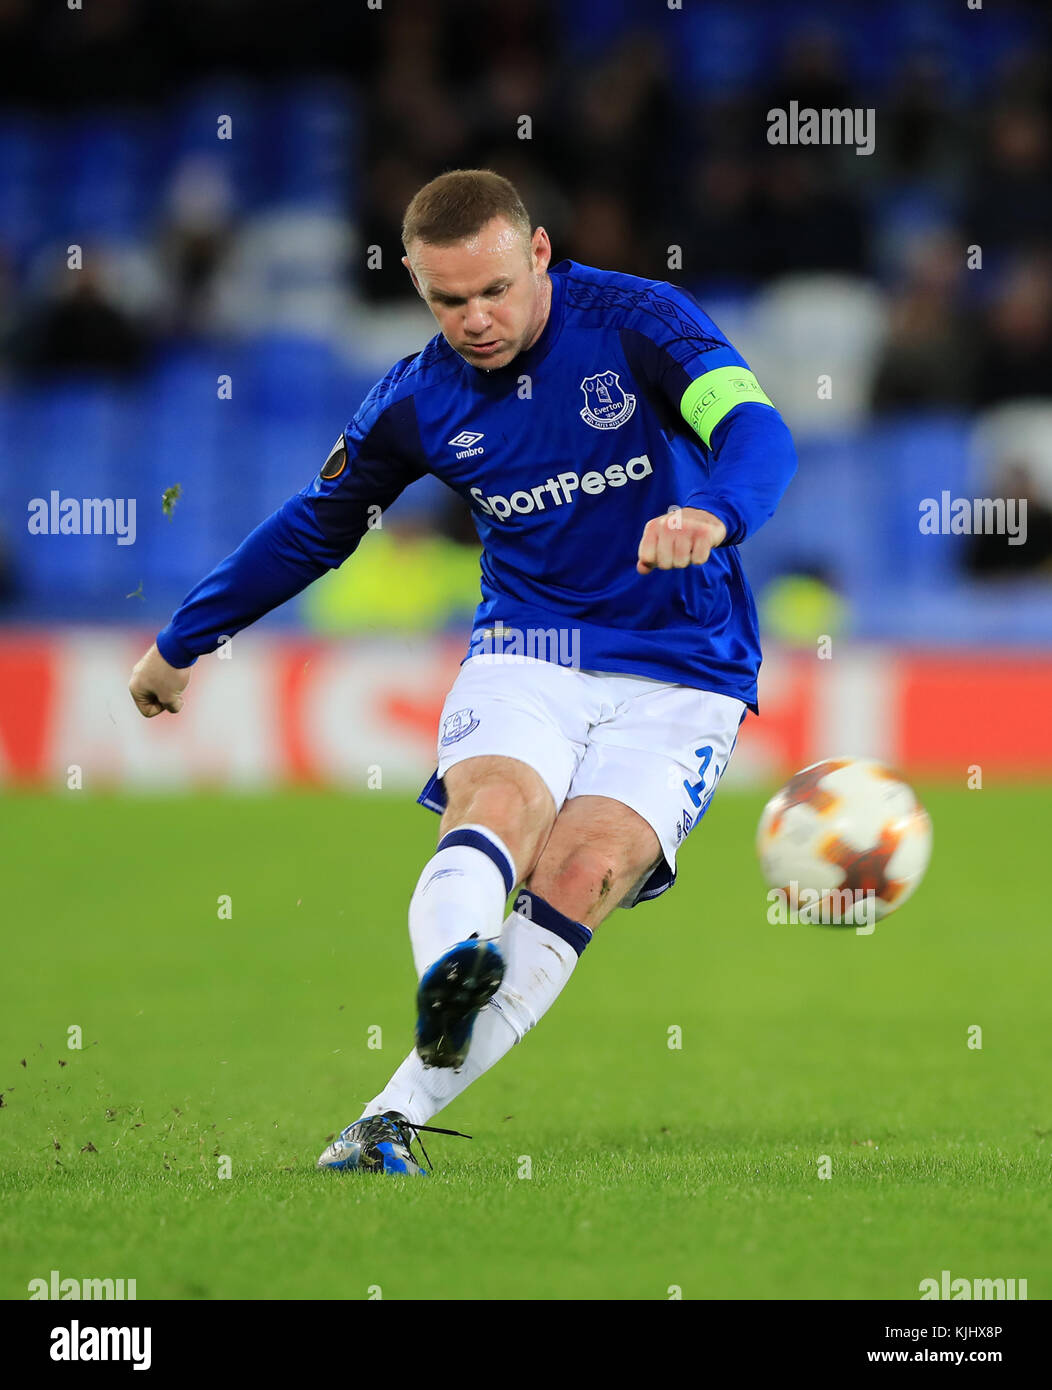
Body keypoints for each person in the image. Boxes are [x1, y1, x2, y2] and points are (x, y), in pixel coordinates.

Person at [129, 169, 797, 1176]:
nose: (474, 320)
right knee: (495, 799)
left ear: (537, 255)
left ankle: (380, 1122)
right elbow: (317, 526)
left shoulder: (636, 321)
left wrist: (713, 512)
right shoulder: (416, 398)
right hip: (532, 644)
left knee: (583, 869)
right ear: (414, 284)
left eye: (493, 290)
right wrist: (184, 640)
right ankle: (454, 966)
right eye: (447, 300)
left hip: (685, 664)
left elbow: (755, 429)